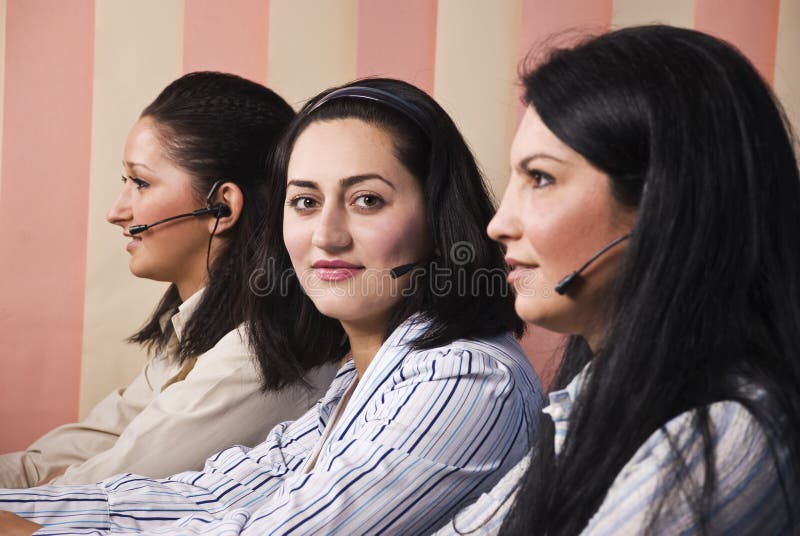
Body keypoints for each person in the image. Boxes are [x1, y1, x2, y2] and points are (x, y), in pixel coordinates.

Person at [0, 77, 544, 535]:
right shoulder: (357, 381)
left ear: (438, 221)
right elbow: (206, 497)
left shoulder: (465, 377)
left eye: (367, 200)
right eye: (305, 202)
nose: (326, 236)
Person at [439, 25, 800, 535]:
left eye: (540, 179)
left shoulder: (719, 435)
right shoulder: (599, 396)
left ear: (663, 205)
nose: (499, 224)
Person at [0, 72, 338, 489]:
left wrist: (60, 479)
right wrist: (55, 476)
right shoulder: (194, 329)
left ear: (221, 206)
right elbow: (50, 465)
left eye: (140, 182)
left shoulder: (258, 358)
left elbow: (83, 497)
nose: (117, 211)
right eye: (125, 182)